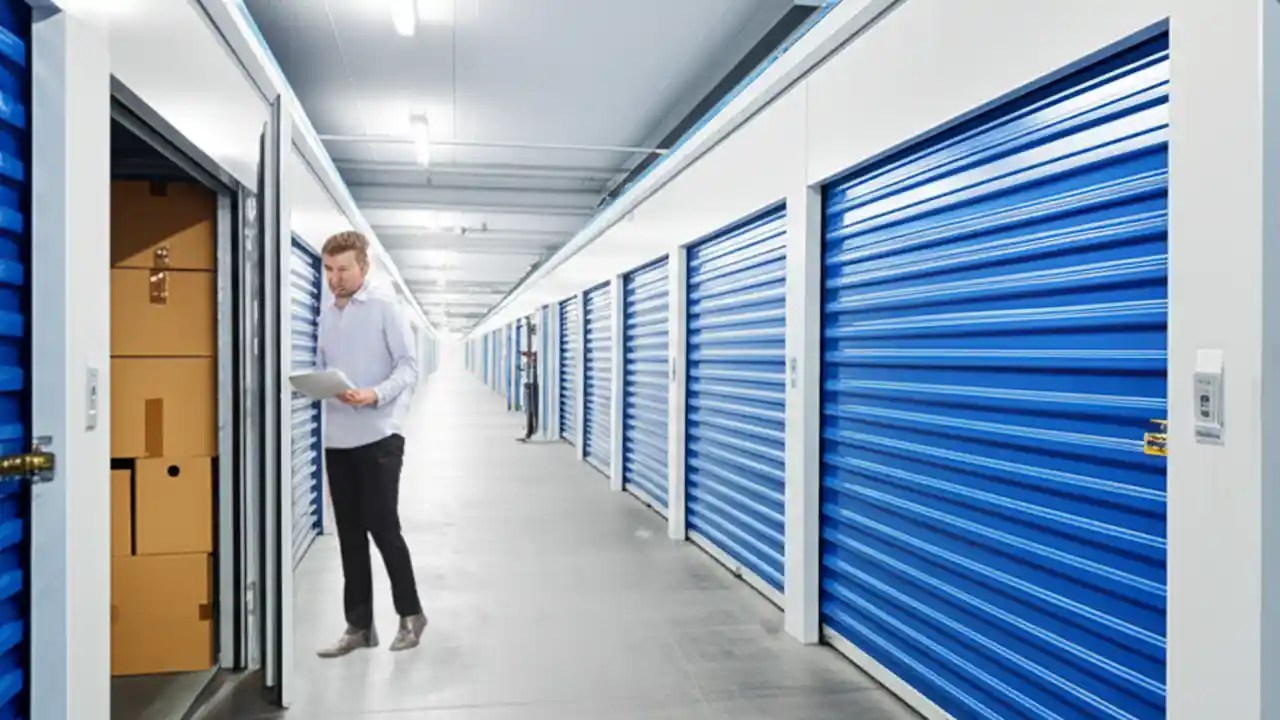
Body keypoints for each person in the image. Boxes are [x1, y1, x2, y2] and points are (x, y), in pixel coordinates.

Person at [314, 230, 427, 657]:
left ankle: (411, 614)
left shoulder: (384, 307)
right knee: (348, 534)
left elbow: (408, 367)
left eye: (343, 269)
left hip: (380, 435)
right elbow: (327, 366)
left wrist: (374, 393)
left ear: (364, 267)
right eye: (328, 269)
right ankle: (359, 626)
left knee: (383, 527)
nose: (334, 278)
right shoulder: (326, 314)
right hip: (338, 438)